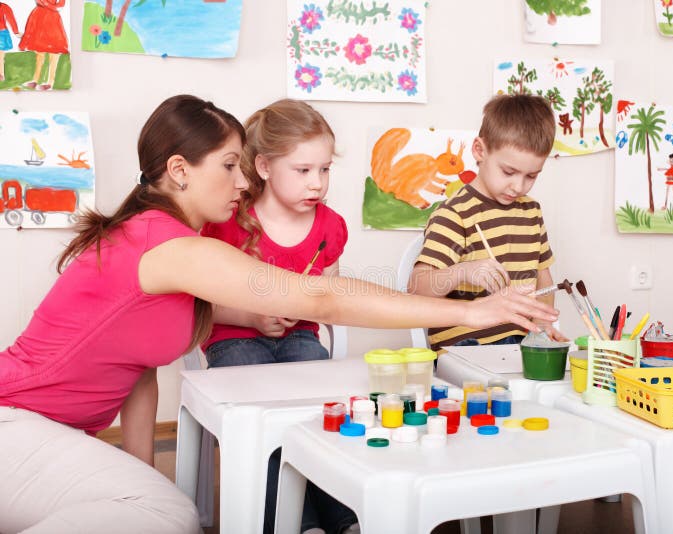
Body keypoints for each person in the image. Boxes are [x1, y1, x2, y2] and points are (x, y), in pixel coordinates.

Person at [0, 94, 559, 533]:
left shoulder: (161, 240)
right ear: (179, 170)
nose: (244, 181)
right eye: (229, 165)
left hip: (48, 434)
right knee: (167, 517)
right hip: (17, 424)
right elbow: (321, 298)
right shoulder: (170, 247)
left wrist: (141, 467)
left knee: (155, 503)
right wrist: (475, 311)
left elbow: (137, 366)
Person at [201, 99, 355, 534]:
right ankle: (297, 522)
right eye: (303, 170)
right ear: (265, 166)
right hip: (234, 338)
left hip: (299, 338)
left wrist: (303, 306)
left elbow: (330, 296)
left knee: (322, 412)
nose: (317, 183)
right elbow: (201, 301)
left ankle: (344, 518)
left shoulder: (329, 225)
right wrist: (252, 317)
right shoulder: (229, 219)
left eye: (324, 170)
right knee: (263, 412)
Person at [409, 94, 565, 352]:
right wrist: (463, 271)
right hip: (465, 345)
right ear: (479, 151)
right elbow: (417, 289)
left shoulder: (531, 213)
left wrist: (542, 325)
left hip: (518, 344)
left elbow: (543, 281)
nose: (518, 186)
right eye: (508, 172)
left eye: (531, 176)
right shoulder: (455, 214)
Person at [18, 0, 68, 91]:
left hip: (53, 20)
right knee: (39, 53)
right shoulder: (38, 11)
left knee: (54, 52)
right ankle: (35, 80)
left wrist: (48, 5)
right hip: (40, 17)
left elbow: (61, 5)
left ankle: (50, 82)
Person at [0, 1, 20, 82]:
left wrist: (16, 32)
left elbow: (11, 19)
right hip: (2, 32)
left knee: (1, 55)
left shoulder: (4, 6)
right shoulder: (4, 6)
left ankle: (1, 74)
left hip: (1, 32)